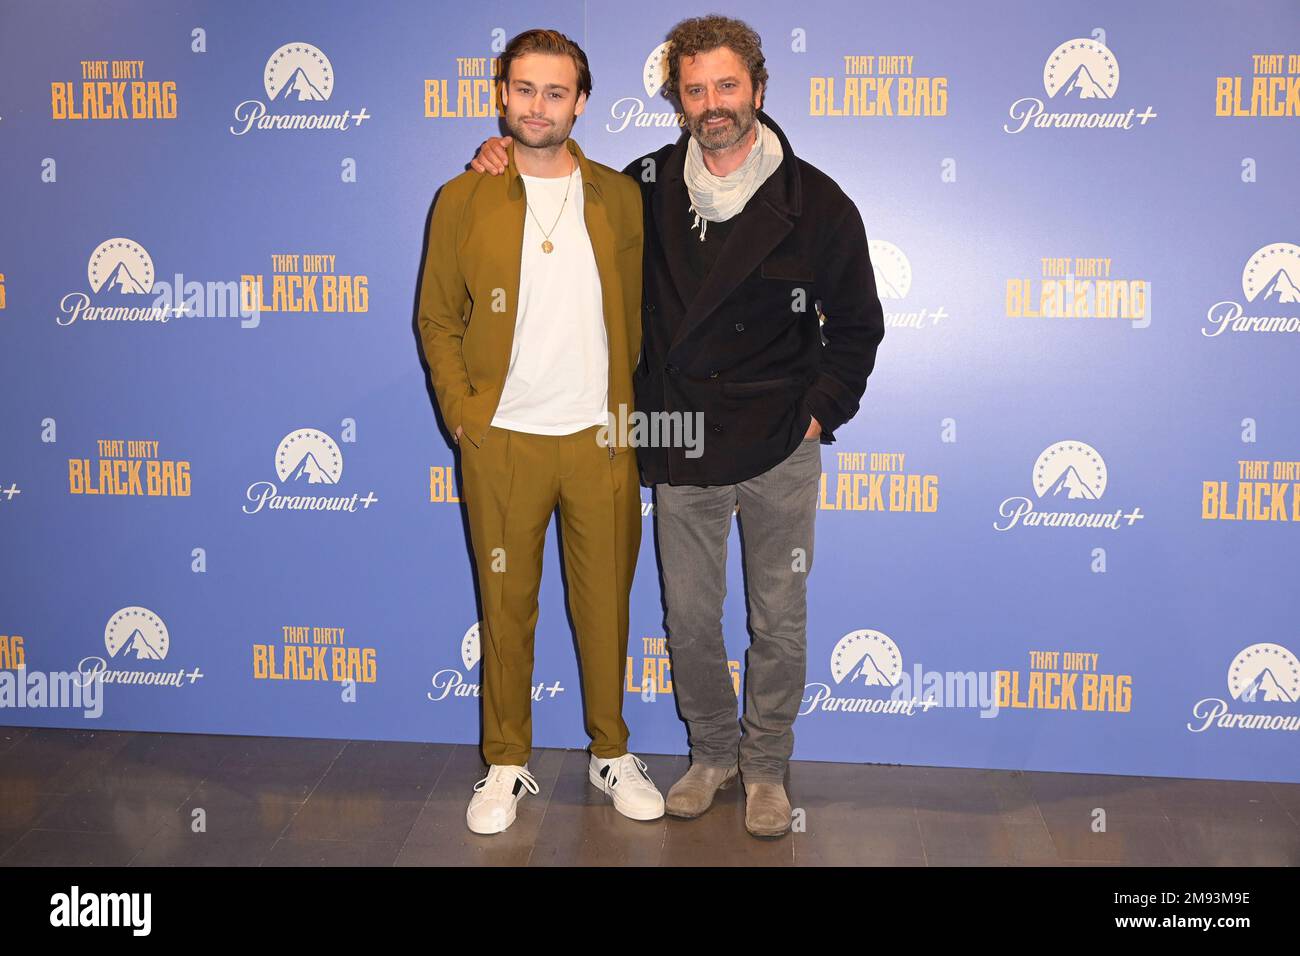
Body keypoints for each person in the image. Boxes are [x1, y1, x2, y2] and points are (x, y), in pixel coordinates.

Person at [471, 15, 884, 837]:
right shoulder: (644, 187)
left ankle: (766, 767)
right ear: (678, 99)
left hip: (778, 441)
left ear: (758, 91)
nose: (712, 103)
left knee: (778, 617)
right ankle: (712, 754)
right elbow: (556, 182)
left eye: (727, 86)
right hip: (683, 437)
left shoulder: (817, 200)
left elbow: (859, 326)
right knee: (689, 619)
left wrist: (816, 415)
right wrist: (497, 159)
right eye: (694, 90)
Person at [418, 28, 664, 835]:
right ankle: (505, 763)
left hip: (600, 439)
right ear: (501, 94)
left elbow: (638, 315)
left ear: (581, 102)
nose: (538, 106)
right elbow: (437, 319)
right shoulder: (464, 196)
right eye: (523, 89)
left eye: (555, 92)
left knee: (606, 610)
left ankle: (611, 751)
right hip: (504, 443)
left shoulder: (620, 197)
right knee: (505, 606)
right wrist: (465, 416)